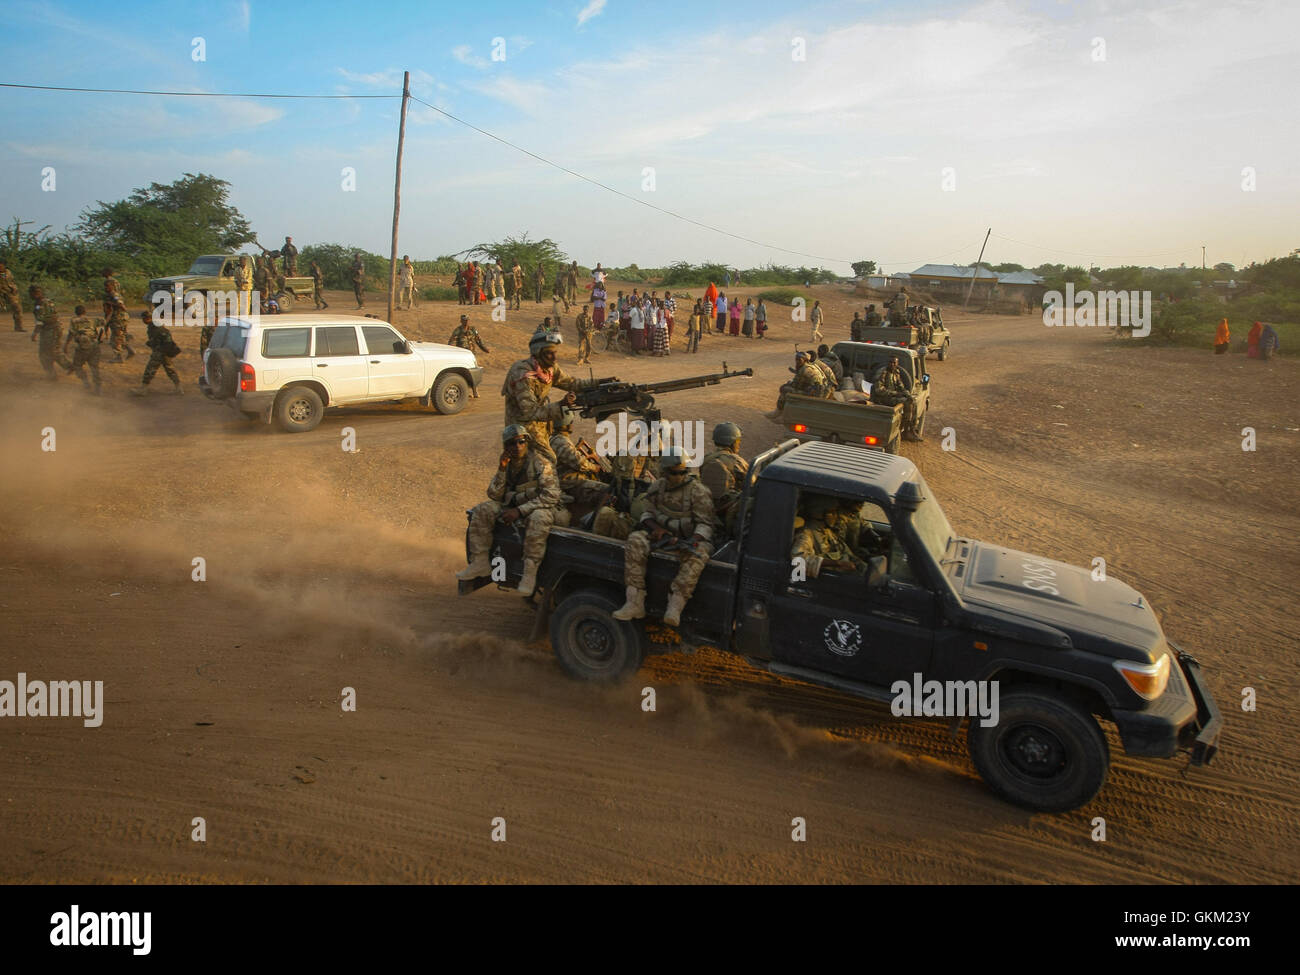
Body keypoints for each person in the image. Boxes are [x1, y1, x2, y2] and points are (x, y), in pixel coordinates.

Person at [613, 446, 715, 627]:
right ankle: (634, 602)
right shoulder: (657, 487)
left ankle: (675, 606)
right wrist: (657, 530)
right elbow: (647, 514)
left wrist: (692, 541)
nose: (679, 476)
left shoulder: (698, 492)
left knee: (699, 555)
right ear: (664, 471)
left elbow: (705, 524)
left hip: (688, 540)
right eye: (674, 473)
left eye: (682, 472)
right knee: (635, 539)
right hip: (662, 537)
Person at [456, 425, 562, 597]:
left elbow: (552, 495)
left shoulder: (540, 463)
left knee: (539, 518)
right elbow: (494, 494)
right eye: (512, 443)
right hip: (513, 505)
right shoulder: (509, 464)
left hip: (538, 506)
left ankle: (529, 573)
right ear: (506, 447)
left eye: (521, 442)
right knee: (483, 509)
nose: (518, 446)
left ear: (527, 443)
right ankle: (480, 562)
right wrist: (502, 469)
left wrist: (520, 511)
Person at [502, 328, 601, 462]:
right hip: (521, 426)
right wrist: (561, 405)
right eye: (549, 353)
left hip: (538, 423)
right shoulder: (523, 374)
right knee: (548, 460)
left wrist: (599, 383)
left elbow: (571, 383)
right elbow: (530, 412)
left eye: (555, 352)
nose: (554, 357)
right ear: (538, 353)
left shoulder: (548, 368)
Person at [791, 496, 865, 579]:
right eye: (832, 512)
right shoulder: (806, 534)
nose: (836, 516)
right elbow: (798, 561)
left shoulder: (827, 531)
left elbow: (844, 551)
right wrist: (837, 563)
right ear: (819, 514)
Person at [550, 406, 608, 505]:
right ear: (567, 424)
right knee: (608, 490)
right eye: (571, 422)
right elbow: (579, 463)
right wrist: (594, 467)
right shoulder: (561, 441)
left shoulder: (555, 439)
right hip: (570, 483)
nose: (572, 425)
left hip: (567, 481)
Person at [699, 422, 749, 536]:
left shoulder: (705, 459)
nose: (739, 444)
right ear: (732, 443)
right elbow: (751, 483)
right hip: (728, 507)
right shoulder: (736, 461)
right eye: (738, 441)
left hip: (707, 503)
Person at [130, 309, 183, 396]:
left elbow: (166, 337)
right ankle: (179, 388)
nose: (143, 320)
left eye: (144, 318)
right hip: (163, 352)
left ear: (149, 318)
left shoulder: (156, 326)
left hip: (160, 352)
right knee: (170, 370)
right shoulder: (154, 325)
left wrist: (162, 350)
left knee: (150, 369)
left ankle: (143, 389)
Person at [29, 287, 73, 379]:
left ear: (35, 293)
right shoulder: (47, 301)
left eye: (31, 293)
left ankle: (69, 366)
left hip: (51, 330)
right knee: (45, 352)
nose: (30, 295)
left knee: (52, 352)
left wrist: (35, 333)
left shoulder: (40, 303)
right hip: (53, 329)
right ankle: (51, 374)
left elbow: (40, 321)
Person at [873, 355, 920, 440]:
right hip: (883, 398)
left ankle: (912, 429)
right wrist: (895, 393)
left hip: (892, 397)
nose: (892, 364)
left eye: (894, 363)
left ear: (897, 364)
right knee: (907, 402)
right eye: (890, 362)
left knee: (912, 400)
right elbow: (879, 390)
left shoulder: (896, 372)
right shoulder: (883, 372)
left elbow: (900, 386)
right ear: (888, 363)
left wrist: (906, 393)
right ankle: (906, 431)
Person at [62, 304, 103, 395]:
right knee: (94, 367)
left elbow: (71, 333)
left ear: (76, 312)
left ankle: (85, 382)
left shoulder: (74, 320)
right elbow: (104, 322)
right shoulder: (92, 319)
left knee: (77, 365)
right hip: (94, 345)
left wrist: (66, 345)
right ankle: (98, 388)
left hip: (83, 347)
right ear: (85, 312)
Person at [0, 260, 24, 331]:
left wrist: (14, 288)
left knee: (17, 308)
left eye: (1, 266)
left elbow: (12, 282)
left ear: (4, 266)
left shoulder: (8, 273)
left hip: (9, 292)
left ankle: (18, 327)